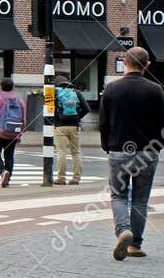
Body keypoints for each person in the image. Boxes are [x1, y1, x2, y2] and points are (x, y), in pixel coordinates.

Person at [99, 46, 164, 261]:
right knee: (140, 198)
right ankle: (135, 244)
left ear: (124, 63)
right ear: (147, 65)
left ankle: (123, 230)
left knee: (118, 194)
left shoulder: (111, 89)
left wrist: (107, 145)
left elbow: (104, 122)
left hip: (119, 150)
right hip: (148, 151)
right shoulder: (156, 90)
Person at [53, 73, 91, 185]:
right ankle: (76, 178)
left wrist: (55, 119)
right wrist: (77, 118)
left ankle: (61, 178)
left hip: (60, 126)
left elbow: (49, 109)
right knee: (76, 152)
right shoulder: (76, 92)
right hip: (74, 126)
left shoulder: (55, 92)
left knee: (61, 152)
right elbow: (86, 109)